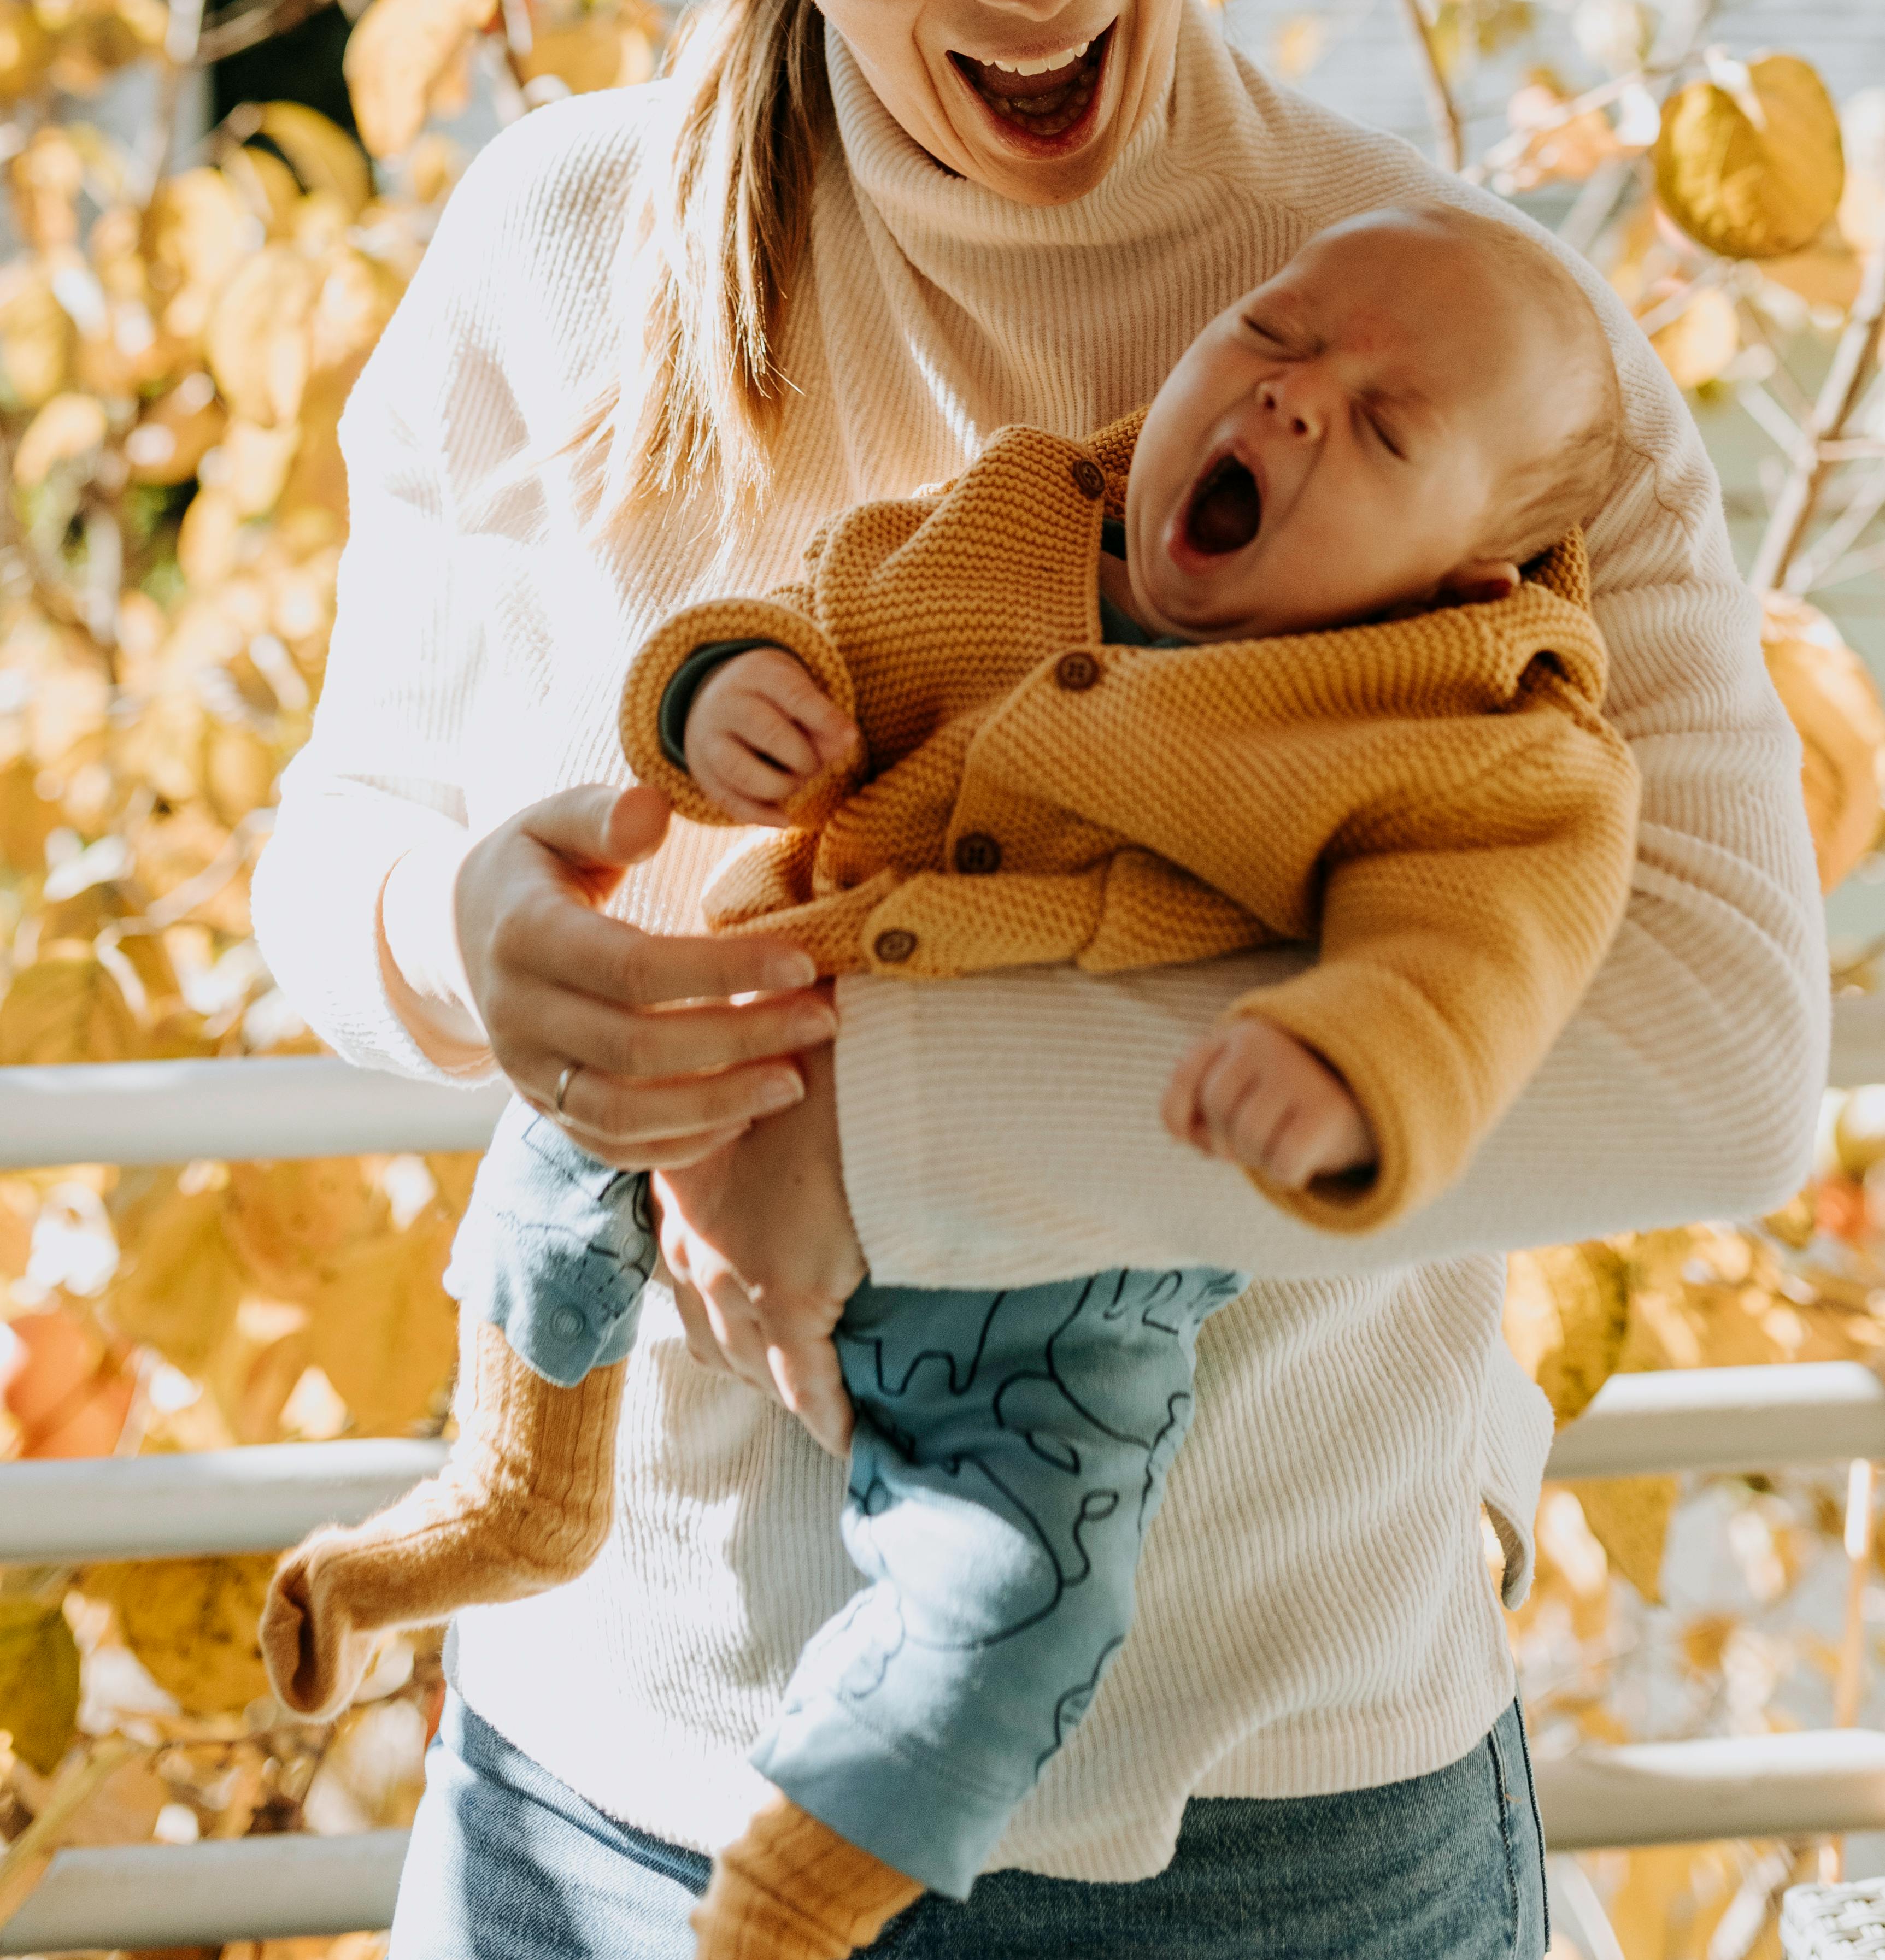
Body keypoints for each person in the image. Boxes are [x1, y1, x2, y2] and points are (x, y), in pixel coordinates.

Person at [251, 0, 1827, 1960]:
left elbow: (1710, 1055)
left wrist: (849, 1125)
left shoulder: (1444, 339)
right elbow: (345, 837)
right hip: (619, 1800)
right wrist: (470, 948)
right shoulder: (558, 241)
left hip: (1287, 1826)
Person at [262, 198, 1642, 1960]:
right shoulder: (1018, 521)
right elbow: (815, 613)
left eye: (1382, 429)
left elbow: (1483, 945)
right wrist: (726, 692)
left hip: (1073, 1296)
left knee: (1024, 1593)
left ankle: (797, 1889)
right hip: (741, 1055)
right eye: (1276, 340)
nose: (1294, 404)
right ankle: (518, 1487)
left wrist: (1347, 1066)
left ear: (1474, 571)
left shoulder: (1455, 721)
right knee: (559, 1150)